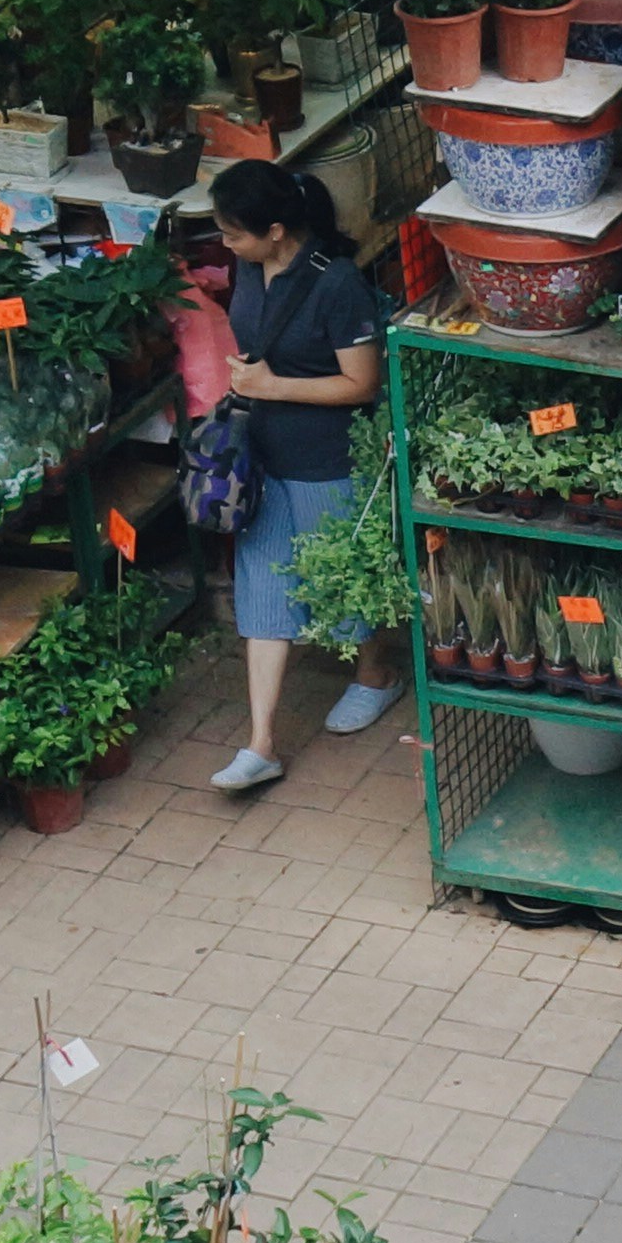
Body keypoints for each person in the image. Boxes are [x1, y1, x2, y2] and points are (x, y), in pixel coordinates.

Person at [203, 157, 398, 793]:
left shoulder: (337, 284)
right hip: (262, 457)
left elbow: (362, 384)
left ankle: (375, 674)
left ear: (278, 228)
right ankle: (261, 743)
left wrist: (271, 385)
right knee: (261, 587)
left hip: (325, 459)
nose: (227, 245)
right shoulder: (249, 266)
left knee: (339, 579)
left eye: (235, 233)